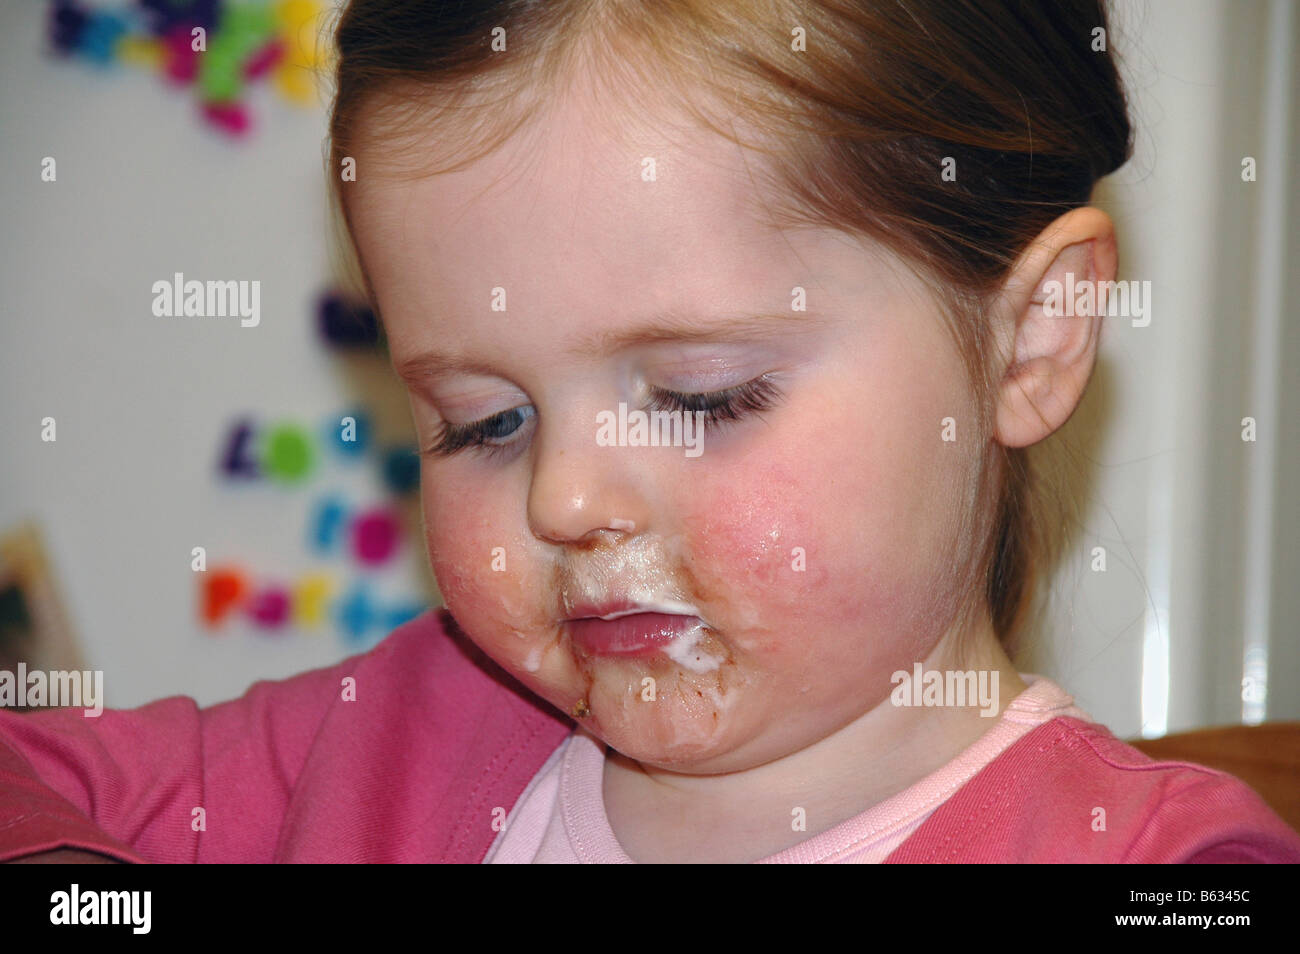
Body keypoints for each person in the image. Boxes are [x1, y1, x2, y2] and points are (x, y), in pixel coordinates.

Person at [4, 0, 1298, 863]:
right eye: (484, 421)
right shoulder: (394, 729)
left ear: (1033, 339)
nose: (567, 497)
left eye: (702, 394)